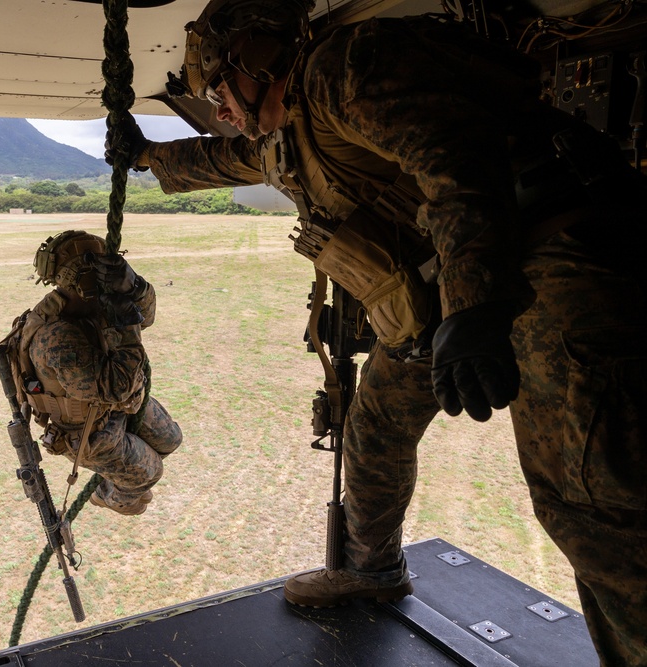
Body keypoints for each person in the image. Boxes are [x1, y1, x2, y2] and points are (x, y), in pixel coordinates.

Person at [106, 0, 647, 663]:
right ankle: (372, 569)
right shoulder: (295, 133)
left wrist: (475, 305)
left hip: (543, 263)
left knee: (596, 508)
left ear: (253, 58)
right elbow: (230, 160)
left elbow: (454, 158)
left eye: (220, 87)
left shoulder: (343, 71)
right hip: (457, 285)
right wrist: (147, 156)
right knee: (378, 426)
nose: (220, 108)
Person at [4, 230, 182, 516]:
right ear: (82, 278)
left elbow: (146, 317)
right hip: (90, 431)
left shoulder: (86, 302)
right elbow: (116, 387)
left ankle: (121, 474)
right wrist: (126, 325)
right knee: (147, 477)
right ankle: (109, 494)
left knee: (171, 439)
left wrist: (136, 287)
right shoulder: (57, 336)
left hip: (115, 407)